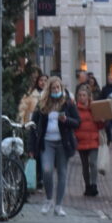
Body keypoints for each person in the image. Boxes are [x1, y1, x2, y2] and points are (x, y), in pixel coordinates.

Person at [30, 76, 78, 215]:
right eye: (53, 88)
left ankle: (59, 205)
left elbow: (77, 122)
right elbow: (33, 126)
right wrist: (31, 147)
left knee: (62, 172)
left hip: (63, 142)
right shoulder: (42, 105)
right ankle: (49, 199)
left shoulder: (68, 103)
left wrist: (66, 120)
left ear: (61, 88)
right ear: (49, 90)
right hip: (47, 142)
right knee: (47, 170)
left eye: (58, 87)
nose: (56, 90)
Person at [73, 82, 103, 197]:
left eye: (84, 95)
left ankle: (94, 185)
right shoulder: (75, 109)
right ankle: (87, 186)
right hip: (81, 140)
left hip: (93, 139)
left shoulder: (94, 108)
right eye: (80, 95)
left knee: (93, 163)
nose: (82, 97)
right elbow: (73, 125)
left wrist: (103, 121)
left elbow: (100, 125)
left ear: (88, 96)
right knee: (85, 165)